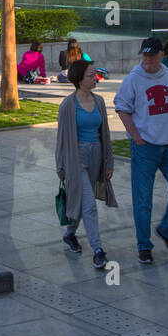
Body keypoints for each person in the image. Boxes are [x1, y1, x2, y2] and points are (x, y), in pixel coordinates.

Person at [114, 36, 168, 265]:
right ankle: (144, 246)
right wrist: (136, 137)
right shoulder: (133, 79)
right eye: (144, 55)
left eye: (151, 55)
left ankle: (166, 229)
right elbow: (122, 108)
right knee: (143, 201)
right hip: (145, 148)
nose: (147, 59)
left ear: (160, 55)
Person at [55, 58, 117, 269]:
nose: (95, 78)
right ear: (79, 80)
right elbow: (62, 139)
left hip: (96, 157)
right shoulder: (68, 105)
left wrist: (108, 163)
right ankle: (98, 250)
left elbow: (105, 134)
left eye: (95, 74)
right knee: (89, 205)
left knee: (83, 201)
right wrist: (61, 167)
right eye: (91, 75)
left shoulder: (99, 101)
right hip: (76, 159)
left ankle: (69, 234)